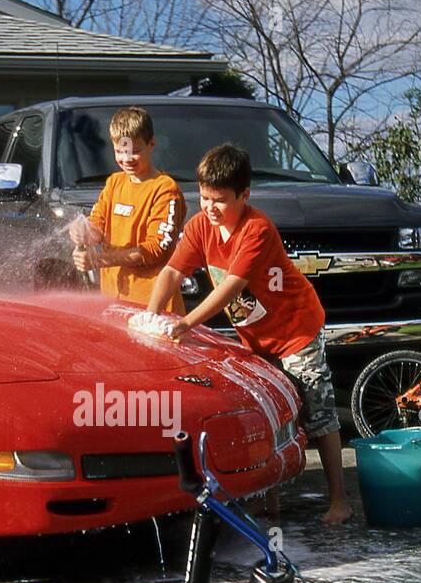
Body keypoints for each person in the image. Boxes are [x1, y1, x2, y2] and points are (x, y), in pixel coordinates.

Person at [146, 142, 352, 524]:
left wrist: (187, 322)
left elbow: (231, 287)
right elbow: (172, 272)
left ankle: (339, 499)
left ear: (244, 195)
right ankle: (269, 499)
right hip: (256, 337)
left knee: (318, 414)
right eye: (205, 197)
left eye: (220, 200)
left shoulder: (256, 229)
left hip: (295, 329)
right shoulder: (199, 226)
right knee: (267, 413)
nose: (210, 207)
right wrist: (151, 315)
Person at [71, 106, 186, 311]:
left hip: (154, 306)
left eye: (134, 151)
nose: (126, 159)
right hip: (114, 301)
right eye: (120, 152)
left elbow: (155, 250)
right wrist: (82, 231)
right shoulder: (114, 182)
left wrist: (99, 260)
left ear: (151, 144)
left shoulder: (165, 189)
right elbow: (96, 227)